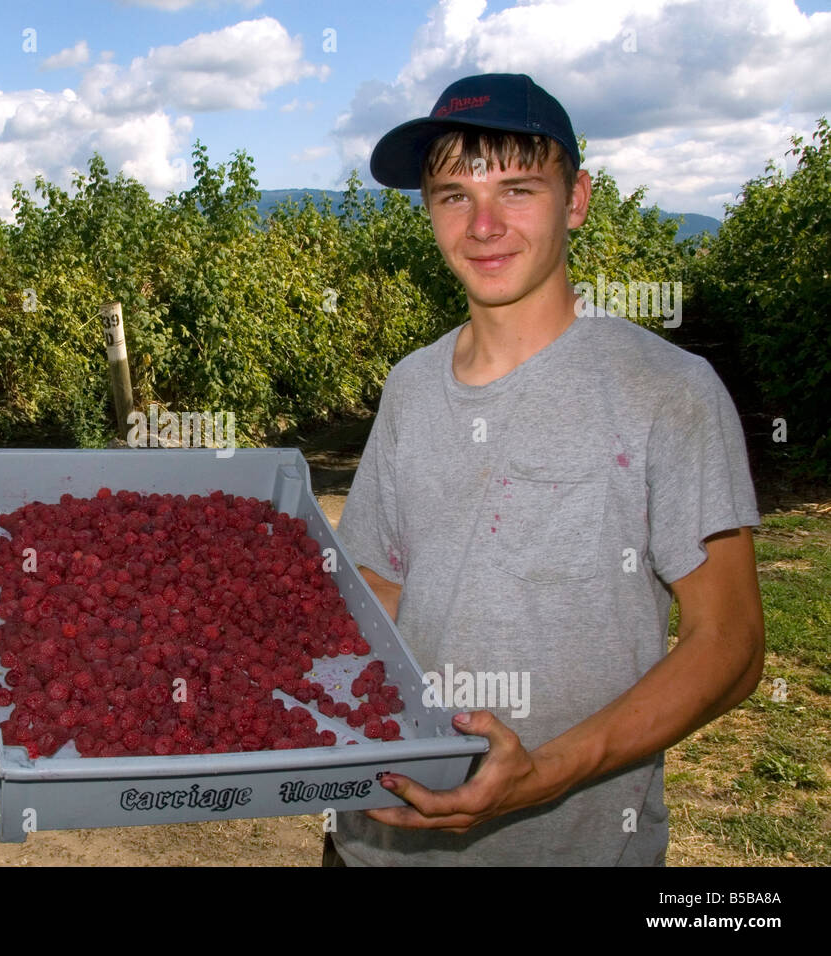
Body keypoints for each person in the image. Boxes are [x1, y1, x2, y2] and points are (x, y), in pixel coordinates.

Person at [326, 73, 765, 866]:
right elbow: (380, 592)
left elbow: (729, 644)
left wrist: (545, 772)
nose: (484, 225)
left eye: (517, 189)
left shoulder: (666, 390)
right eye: (454, 195)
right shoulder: (410, 385)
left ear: (577, 199)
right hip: (376, 844)